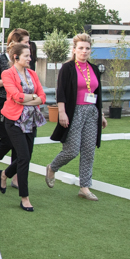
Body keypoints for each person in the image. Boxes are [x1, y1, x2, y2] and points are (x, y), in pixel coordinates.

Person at [47, 33, 107, 201]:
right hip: (74, 112)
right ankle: (52, 167)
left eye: (87, 49)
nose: (84, 51)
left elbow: (97, 93)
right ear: (74, 50)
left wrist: (100, 114)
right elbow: (61, 92)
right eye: (81, 48)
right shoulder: (68, 68)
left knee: (88, 151)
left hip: (91, 112)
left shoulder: (94, 69)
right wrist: (62, 112)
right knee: (72, 150)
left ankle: (85, 187)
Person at [0, 42, 46, 211]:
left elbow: (43, 96)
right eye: (26, 55)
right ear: (16, 57)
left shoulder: (32, 73)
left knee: (25, 157)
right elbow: (17, 97)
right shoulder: (7, 74)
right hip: (14, 120)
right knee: (24, 156)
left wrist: (32, 98)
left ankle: (4, 174)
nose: (29, 58)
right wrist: (33, 97)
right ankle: (24, 198)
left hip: (31, 120)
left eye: (30, 55)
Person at [0, 29, 29, 187]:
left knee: (20, 141)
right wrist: (8, 78)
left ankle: (15, 176)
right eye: (25, 42)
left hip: (21, 104)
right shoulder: (0, 60)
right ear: (15, 43)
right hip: (2, 102)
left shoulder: (26, 61)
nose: (28, 45)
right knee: (7, 139)